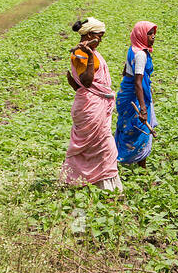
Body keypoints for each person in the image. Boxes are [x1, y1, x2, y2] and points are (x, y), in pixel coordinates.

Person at [61, 17, 122, 191]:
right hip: (90, 107)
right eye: (98, 36)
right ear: (88, 35)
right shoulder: (81, 54)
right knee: (103, 144)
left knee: (99, 145)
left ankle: (98, 183)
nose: (100, 40)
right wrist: (87, 55)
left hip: (94, 104)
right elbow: (87, 82)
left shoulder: (91, 52)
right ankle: (90, 183)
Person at [115, 20, 157, 167]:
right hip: (134, 96)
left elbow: (126, 71)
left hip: (125, 94)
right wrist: (143, 108)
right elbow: (138, 82)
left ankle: (119, 158)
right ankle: (140, 167)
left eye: (153, 33)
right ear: (140, 35)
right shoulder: (141, 55)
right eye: (149, 34)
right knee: (140, 130)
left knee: (127, 127)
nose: (153, 37)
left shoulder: (133, 49)